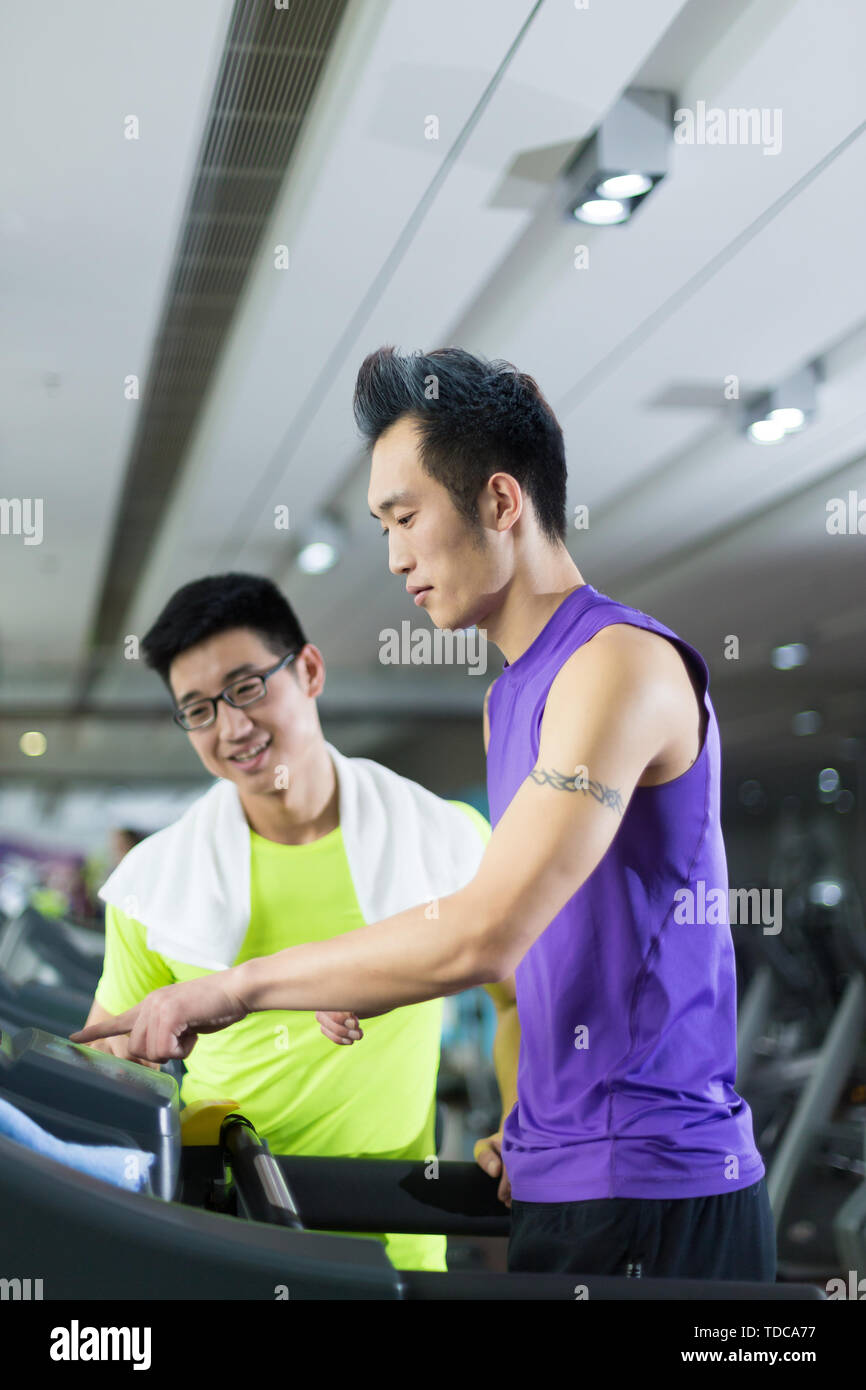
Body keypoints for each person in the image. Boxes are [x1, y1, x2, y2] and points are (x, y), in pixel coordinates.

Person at [74, 346, 775, 1281]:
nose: (397, 555)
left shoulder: (619, 665)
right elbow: (531, 939)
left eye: (407, 517)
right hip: (563, 1179)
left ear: (499, 501)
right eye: (382, 528)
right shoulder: (511, 696)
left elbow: (483, 937)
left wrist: (235, 988)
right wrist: (529, 1118)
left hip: (659, 1187)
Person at [78, 571, 509, 1272]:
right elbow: (112, 1062)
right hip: (223, 1231)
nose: (232, 728)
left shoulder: (445, 839)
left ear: (308, 669)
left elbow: (523, 995)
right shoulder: (155, 884)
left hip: (394, 1231)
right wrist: (124, 1065)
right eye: (198, 709)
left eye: (247, 688)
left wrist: (522, 1121)